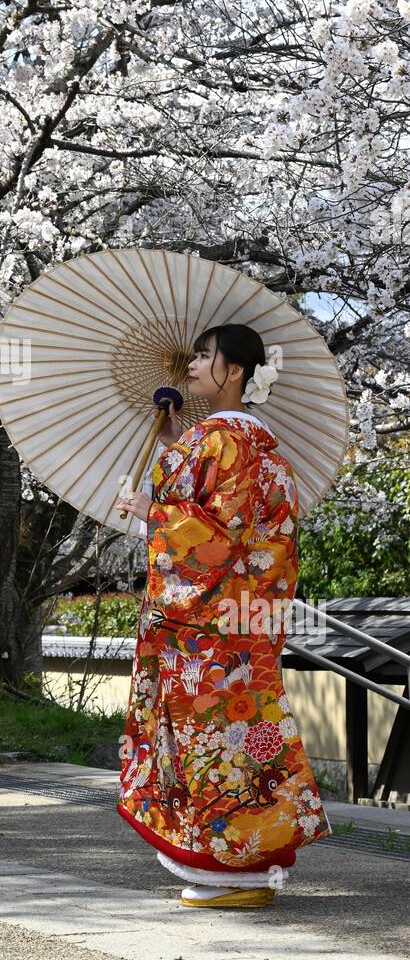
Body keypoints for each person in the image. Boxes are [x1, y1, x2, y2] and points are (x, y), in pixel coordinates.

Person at [115, 323, 331, 908]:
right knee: (248, 736)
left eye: (205, 356)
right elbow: (243, 536)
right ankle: (250, 863)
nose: (192, 364)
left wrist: (149, 514)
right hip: (245, 626)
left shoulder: (216, 444)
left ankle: (228, 869)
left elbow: (209, 540)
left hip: (202, 636)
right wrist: (170, 445)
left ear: (234, 371)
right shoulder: (262, 452)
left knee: (210, 744)